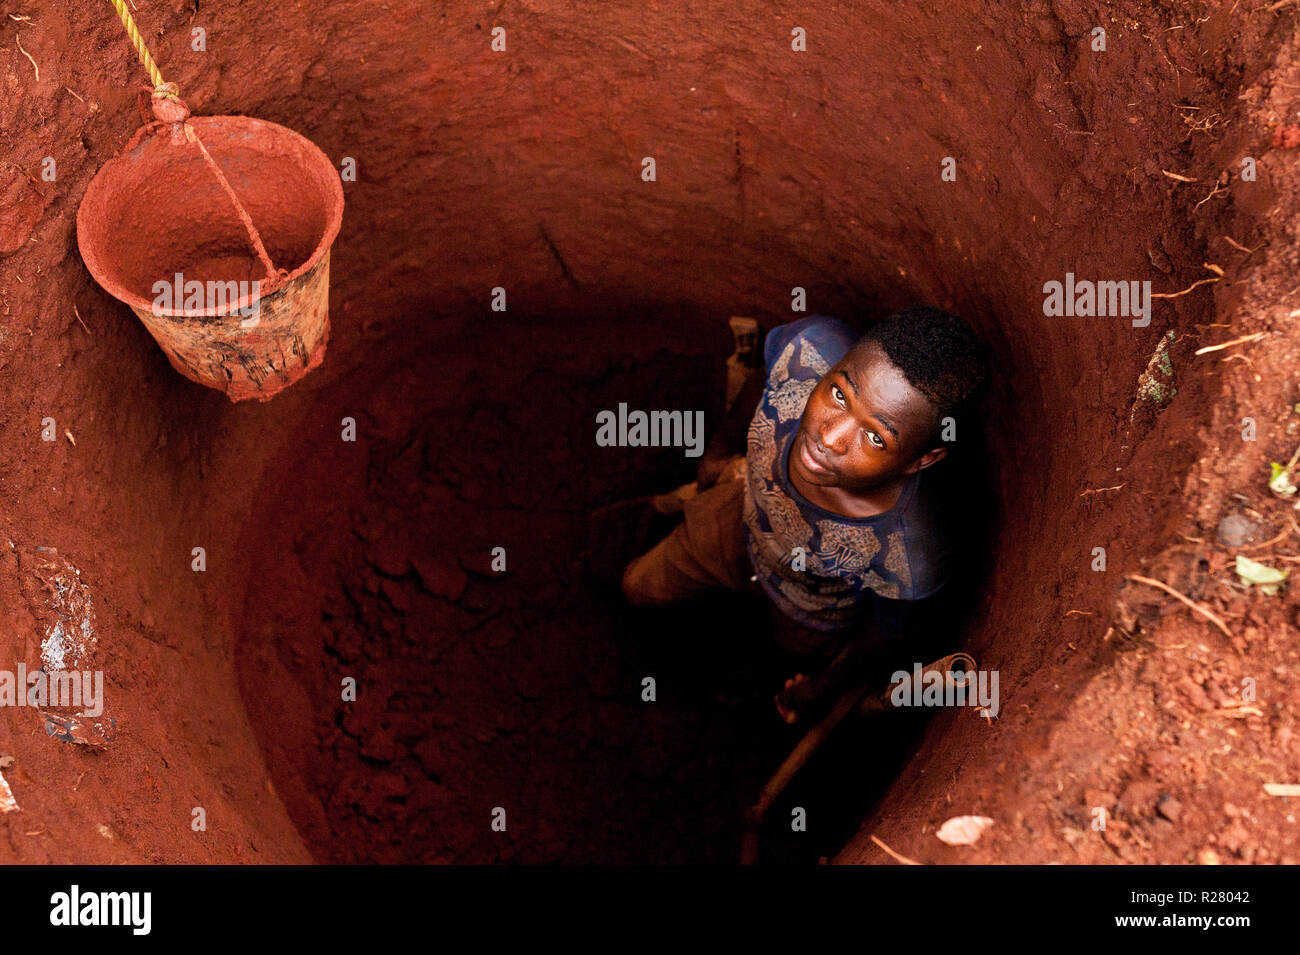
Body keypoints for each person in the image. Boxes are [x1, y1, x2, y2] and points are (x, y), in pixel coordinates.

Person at [617, 308, 990, 723]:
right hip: (736, 520)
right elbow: (765, 380)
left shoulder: (908, 550)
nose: (828, 437)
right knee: (637, 585)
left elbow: (885, 635)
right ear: (834, 367)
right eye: (839, 395)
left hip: (809, 613)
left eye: (874, 437)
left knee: (767, 661)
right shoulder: (808, 350)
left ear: (921, 460)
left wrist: (819, 689)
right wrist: (718, 451)